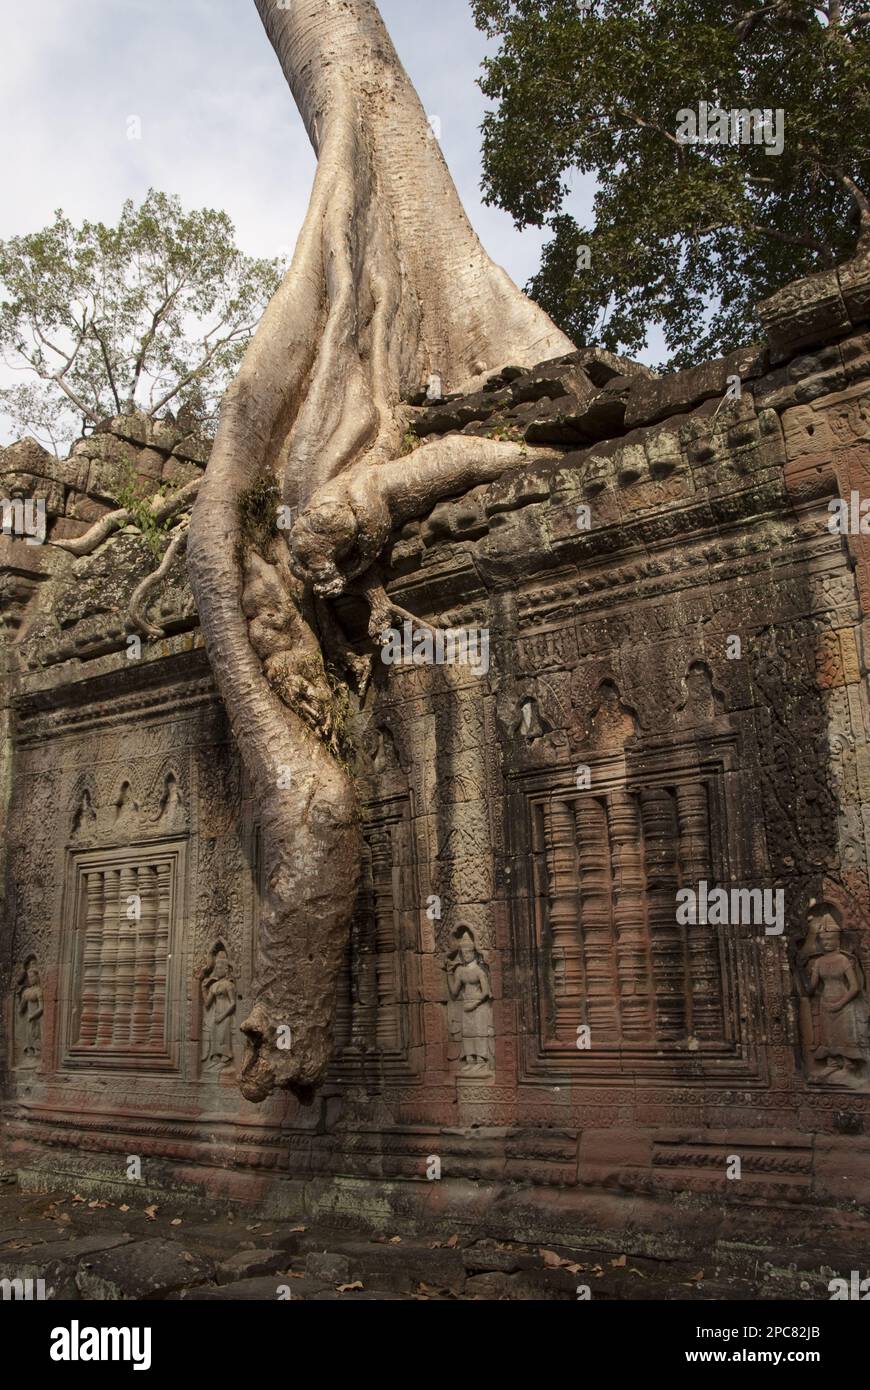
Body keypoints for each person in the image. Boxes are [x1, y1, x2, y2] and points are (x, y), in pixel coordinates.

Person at [446, 925, 495, 1076]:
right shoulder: (460, 971)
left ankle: (481, 1062)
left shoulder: (480, 970)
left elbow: (486, 991)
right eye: (464, 952)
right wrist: (449, 973)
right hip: (466, 1005)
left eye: (469, 952)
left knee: (479, 1032)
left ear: (474, 951)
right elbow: (454, 992)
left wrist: (475, 1003)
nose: (466, 955)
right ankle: (470, 1061)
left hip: (478, 1006)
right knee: (467, 1034)